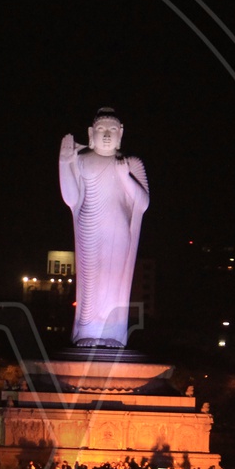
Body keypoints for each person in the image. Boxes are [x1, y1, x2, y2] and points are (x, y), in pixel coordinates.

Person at [58, 108, 150, 347]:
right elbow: (71, 198)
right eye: (101, 130)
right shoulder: (82, 159)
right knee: (90, 283)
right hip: (88, 225)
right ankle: (86, 332)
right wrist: (64, 163)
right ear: (91, 133)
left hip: (118, 230)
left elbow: (142, 203)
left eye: (112, 130)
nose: (106, 135)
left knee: (113, 282)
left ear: (120, 133)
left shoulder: (130, 162)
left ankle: (112, 334)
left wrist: (125, 176)